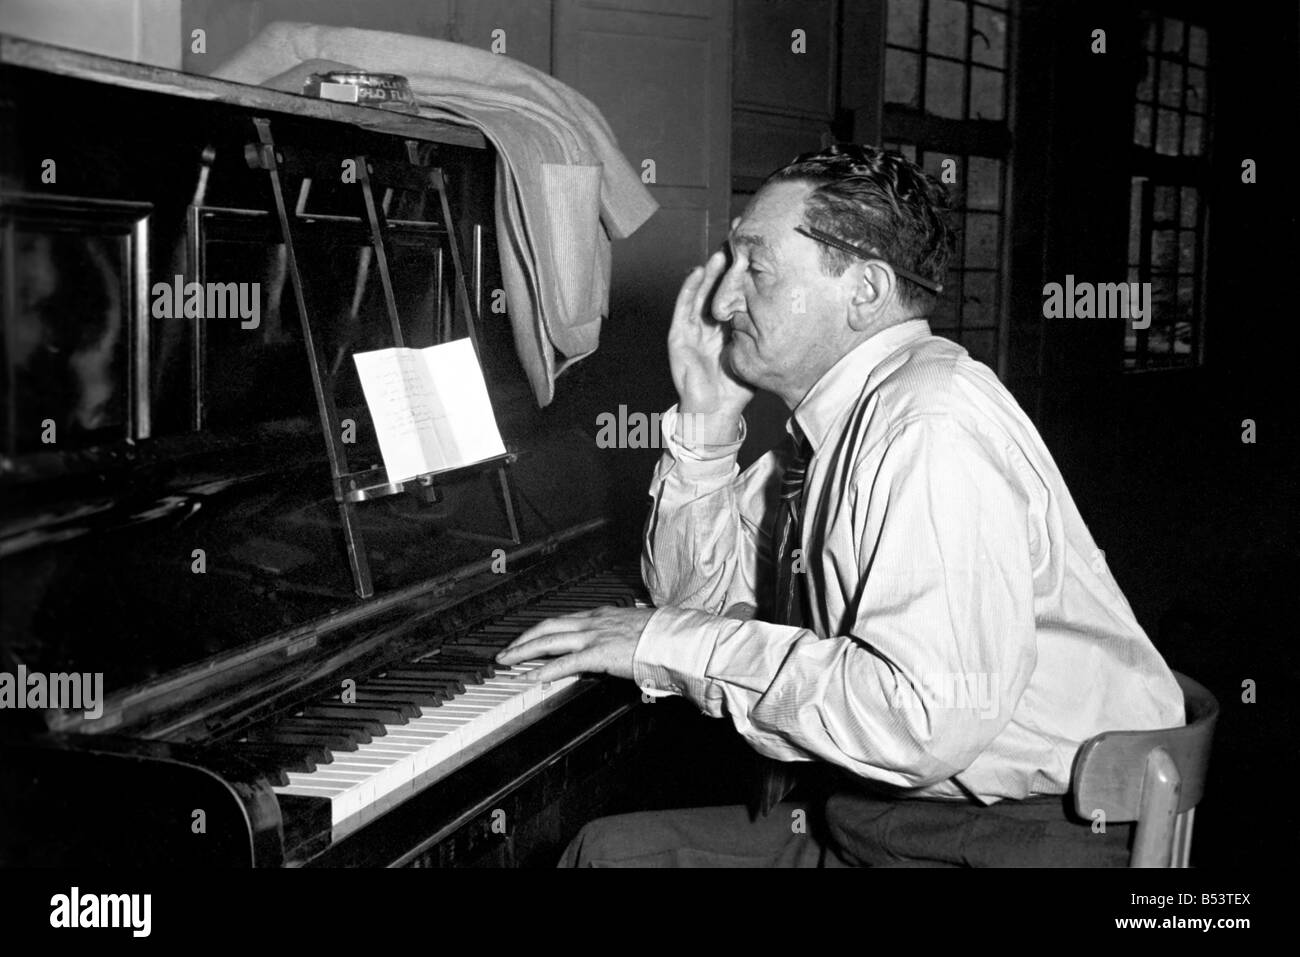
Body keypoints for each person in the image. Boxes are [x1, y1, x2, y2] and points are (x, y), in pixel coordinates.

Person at [497, 143, 1186, 867]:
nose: (720, 302)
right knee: (604, 851)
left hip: (1013, 842)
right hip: (892, 817)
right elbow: (688, 603)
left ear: (863, 290)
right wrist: (703, 419)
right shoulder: (840, 431)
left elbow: (916, 720)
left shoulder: (927, 426)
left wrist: (664, 646)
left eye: (755, 269)